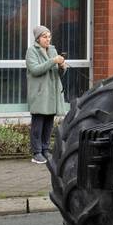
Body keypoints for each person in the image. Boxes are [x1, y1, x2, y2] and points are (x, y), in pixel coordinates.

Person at [26, 25, 67, 164]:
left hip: (52, 93)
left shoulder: (53, 50)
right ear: (38, 38)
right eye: (44, 37)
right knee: (38, 124)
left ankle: (45, 149)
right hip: (39, 93)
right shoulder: (32, 51)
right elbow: (35, 70)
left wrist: (62, 67)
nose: (47, 39)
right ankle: (36, 152)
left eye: (49, 36)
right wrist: (52, 61)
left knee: (49, 123)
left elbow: (57, 72)